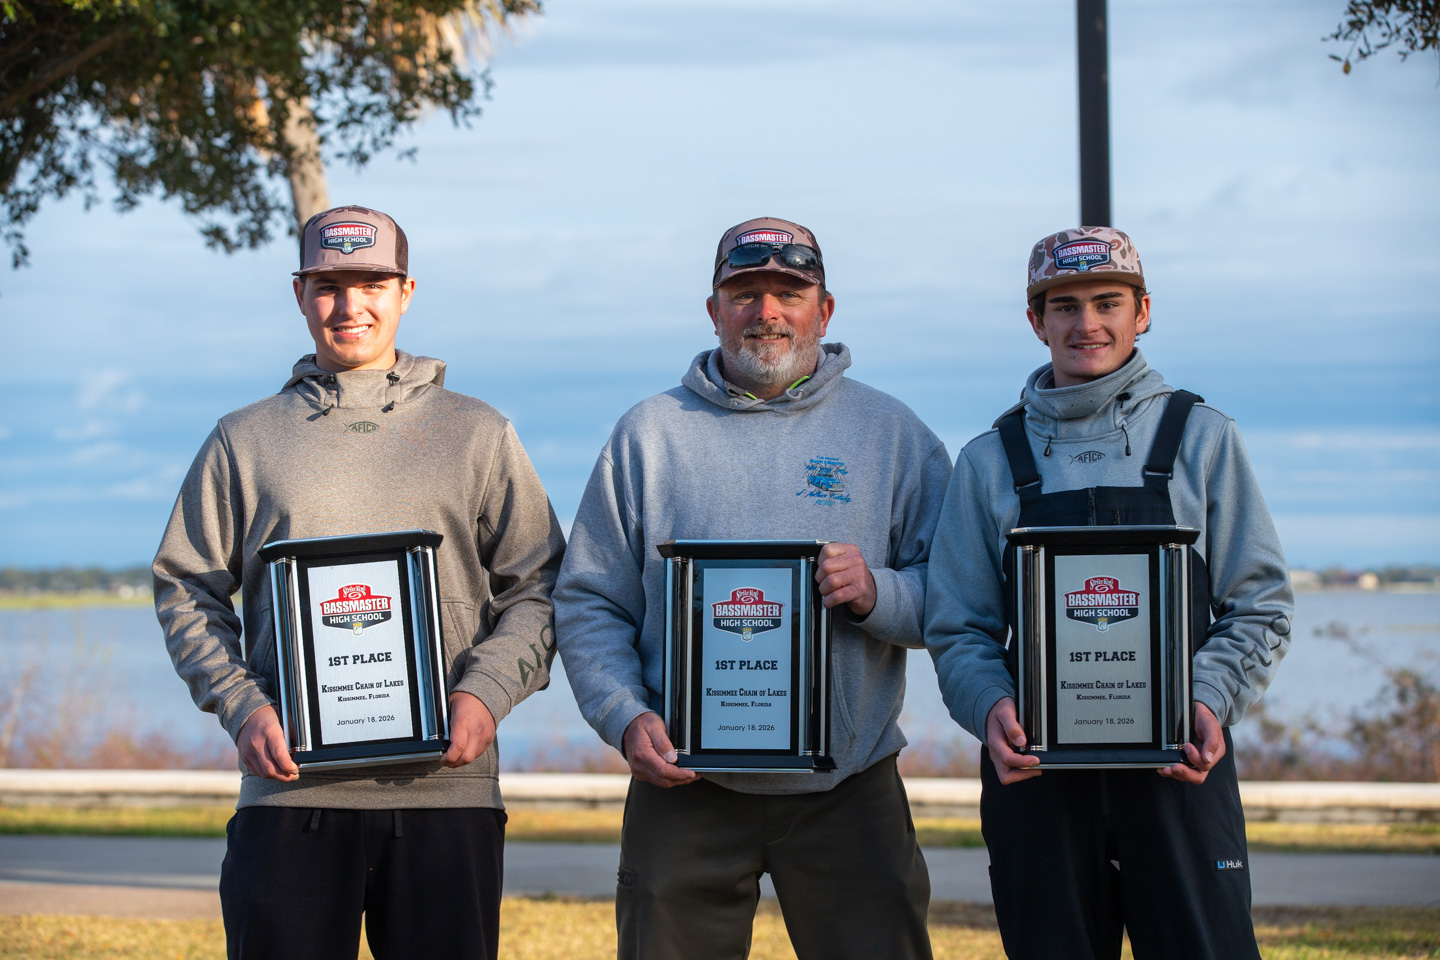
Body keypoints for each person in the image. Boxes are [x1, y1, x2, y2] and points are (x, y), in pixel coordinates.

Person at [152, 205, 565, 960]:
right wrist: (243, 707)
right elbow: (186, 587)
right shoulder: (243, 439)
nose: (350, 306)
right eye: (328, 284)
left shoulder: (478, 431)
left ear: (406, 290)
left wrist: (487, 693)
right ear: (300, 293)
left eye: (371, 283)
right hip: (289, 796)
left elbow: (540, 583)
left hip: (446, 797)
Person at [553, 216, 951, 960]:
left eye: (788, 292)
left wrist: (879, 593)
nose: (766, 311)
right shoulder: (648, 436)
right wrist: (624, 715)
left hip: (850, 789)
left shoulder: (893, 435)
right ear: (714, 310)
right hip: (684, 785)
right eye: (744, 293)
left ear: (824, 311)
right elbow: (590, 599)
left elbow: (958, 600)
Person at [924, 226, 1294, 959]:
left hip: (1177, 767)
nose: (1085, 323)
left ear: (1142, 311)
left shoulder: (1203, 438)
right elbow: (958, 627)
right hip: (1035, 779)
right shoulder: (990, 459)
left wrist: (1208, 699)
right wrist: (989, 707)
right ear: (1036, 322)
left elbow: (1260, 604)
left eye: (1106, 302)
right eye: (1063, 306)